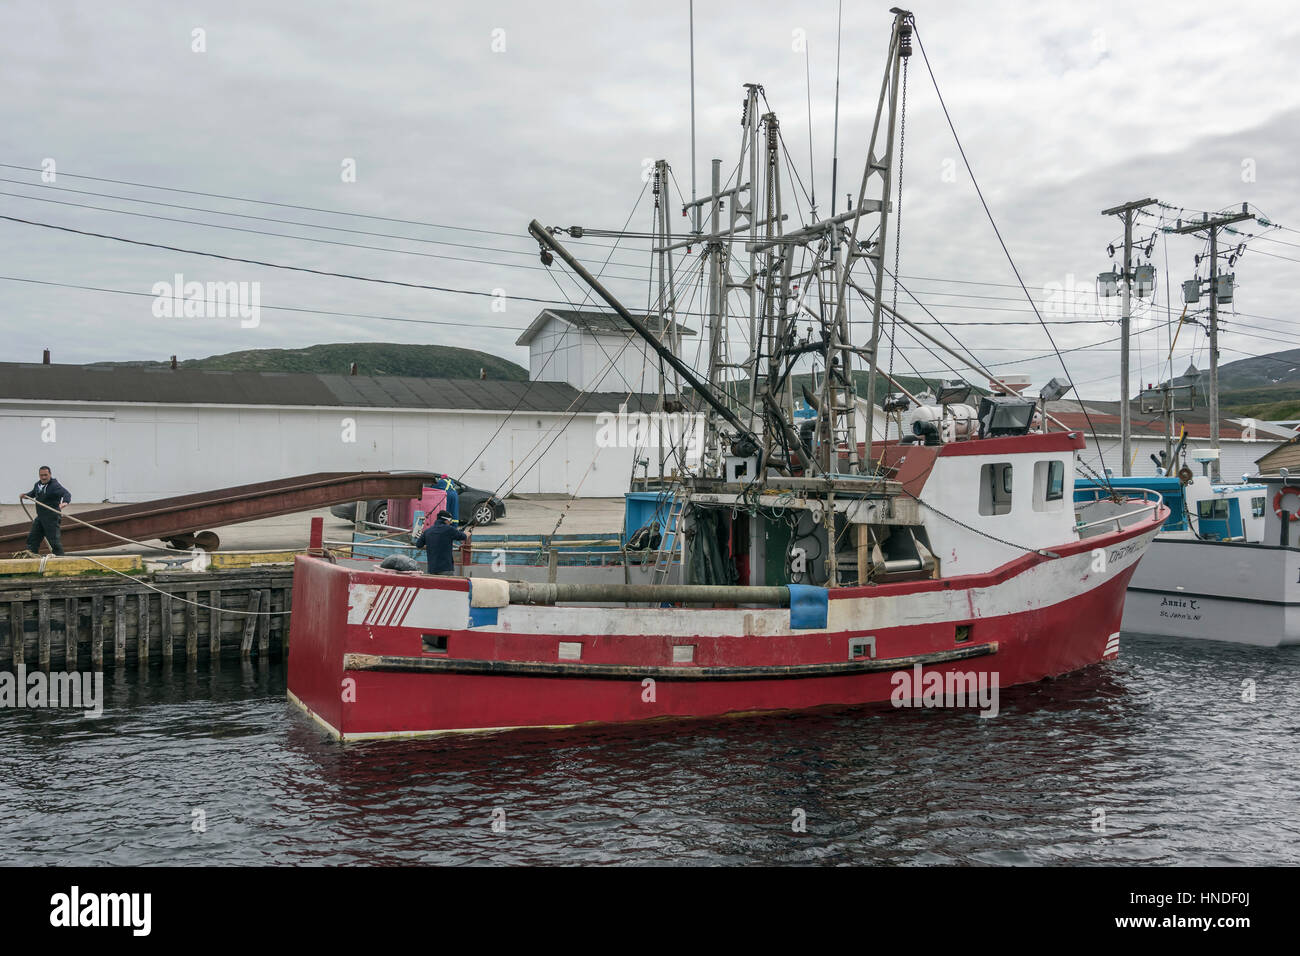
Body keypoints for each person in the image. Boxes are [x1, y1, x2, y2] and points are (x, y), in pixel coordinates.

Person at [20, 465, 72, 556]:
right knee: (33, 538)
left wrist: (65, 503)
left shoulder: (55, 486)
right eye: (41, 475)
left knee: (54, 541)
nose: (43, 477)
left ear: (50, 474)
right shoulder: (38, 484)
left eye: (45, 475)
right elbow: (33, 493)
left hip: (52, 518)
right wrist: (25, 495)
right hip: (40, 517)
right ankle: (31, 557)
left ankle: (60, 559)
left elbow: (66, 493)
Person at [412, 509, 468, 575]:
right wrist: (468, 534)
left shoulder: (428, 531)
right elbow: (463, 536)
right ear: (446, 520)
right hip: (446, 569)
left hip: (432, 569)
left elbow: (418, 545)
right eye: (450, 521)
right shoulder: (449, 529)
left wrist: (431, 545)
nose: (450, 523)